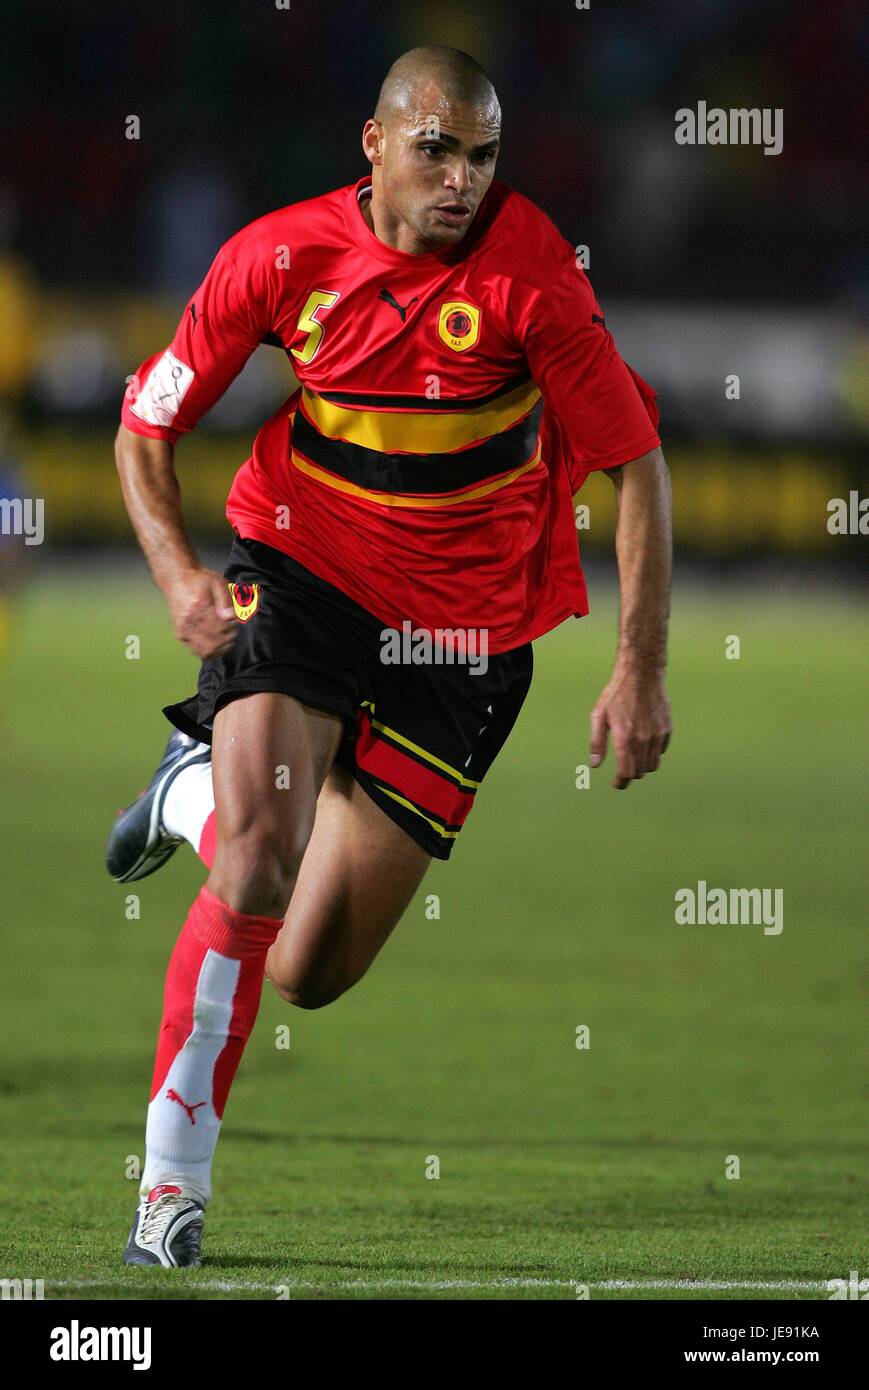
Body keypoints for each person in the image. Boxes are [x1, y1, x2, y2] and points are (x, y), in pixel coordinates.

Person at [110, 45, 672, 1267]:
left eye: (482, 154)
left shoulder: (534, 277)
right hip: (304, 577)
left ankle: (187, 790)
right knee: (260, 867)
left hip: (468, 635)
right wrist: (179, 580)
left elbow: (638, 468)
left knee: (310, 967)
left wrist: (638, 666)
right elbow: (147, 420)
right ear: (373, 147)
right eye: (437, 149)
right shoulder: (275, 256)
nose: (462, 179)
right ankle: (170, 1184)